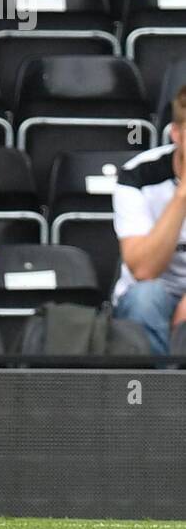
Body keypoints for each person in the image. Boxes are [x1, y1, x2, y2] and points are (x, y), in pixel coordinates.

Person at [111, 87, 186, 355]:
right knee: (146, 297)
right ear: (176, 134)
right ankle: (153, 394)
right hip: (149, 296)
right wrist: (182, 195)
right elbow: (143, 269)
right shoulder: (138, 175)